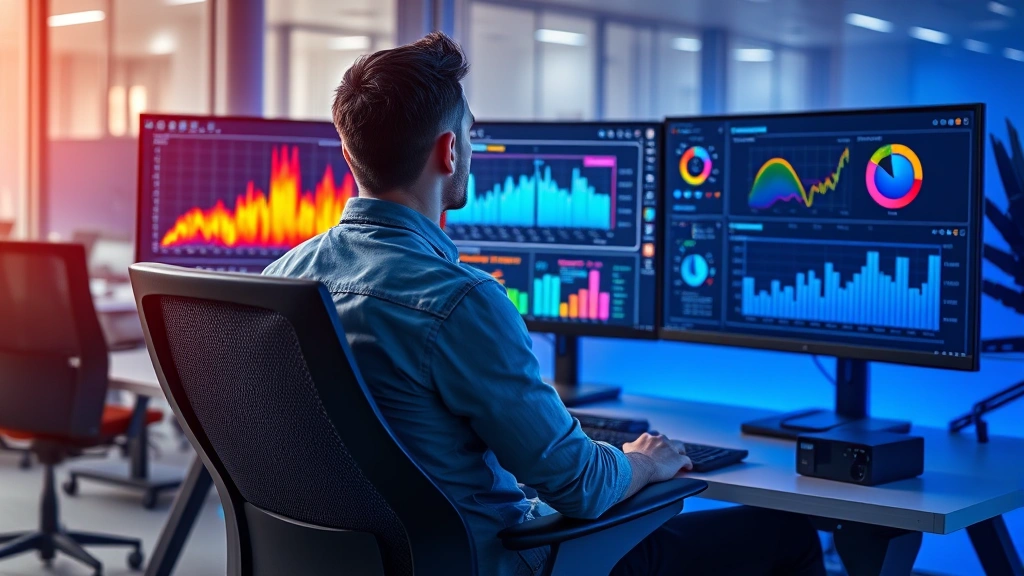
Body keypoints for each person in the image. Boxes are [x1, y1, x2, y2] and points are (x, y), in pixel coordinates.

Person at [264, 31, 824, 576]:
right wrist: (644, 460)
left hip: (346, 563)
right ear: (449, 150)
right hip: (496, 561)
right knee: (785, 533)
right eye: (471, 134)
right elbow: (581, 486)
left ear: (349, 153)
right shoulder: (458, 302)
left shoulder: (279, 283)